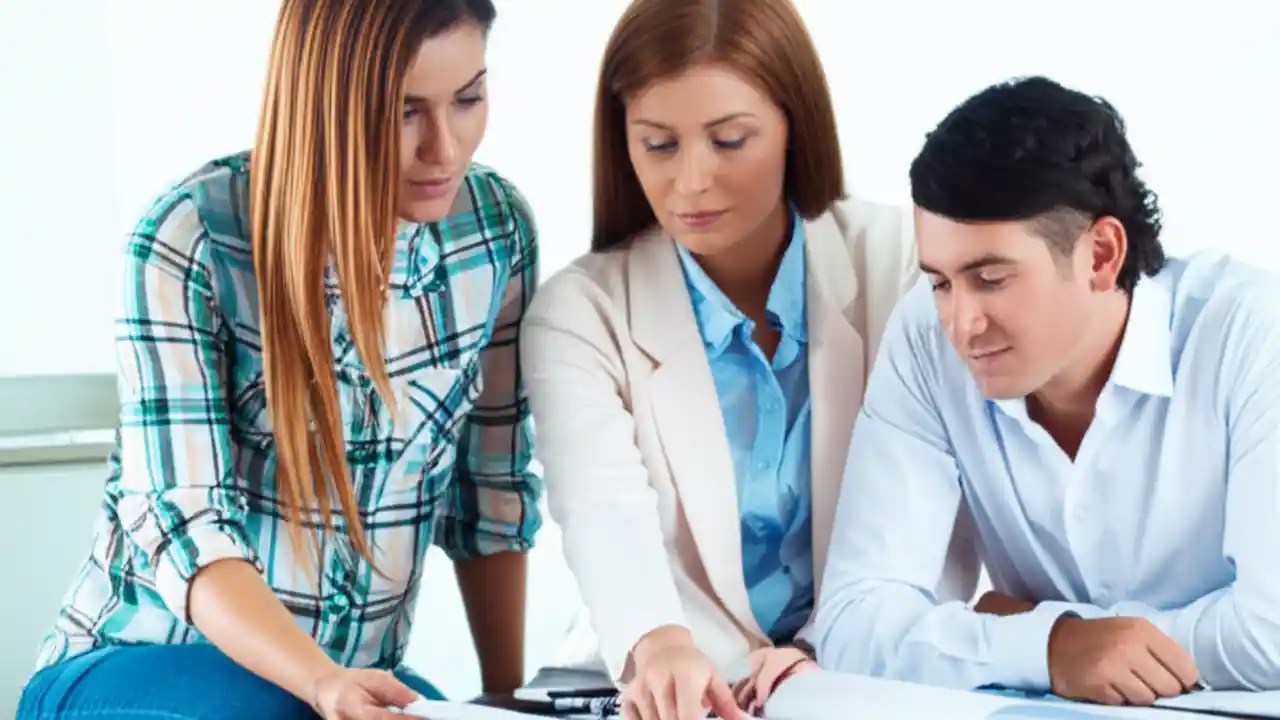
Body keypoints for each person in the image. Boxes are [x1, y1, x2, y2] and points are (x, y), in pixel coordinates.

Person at [16, 1, 542, 718]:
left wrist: (507, 703)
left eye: (468, 100)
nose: (444, 149)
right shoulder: (189, 237)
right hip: (137, 660)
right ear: (325, 101)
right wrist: (320, 684)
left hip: (339, 682)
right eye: (403, 112)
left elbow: (492, 495)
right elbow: (187, 527)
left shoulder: (494, 231)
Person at [520, 1, 977, 719]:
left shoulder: (905, 266)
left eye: (729, 140)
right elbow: (601, 506)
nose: (691, 181)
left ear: (795, 124)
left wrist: (823, 656)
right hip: (666, 685)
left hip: (862, 674)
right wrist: (659, 644)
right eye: (658, 145)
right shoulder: (581, 311)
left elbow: (928, 516)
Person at [814, 75, 1280, 706]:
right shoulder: (925, 339)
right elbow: (853, 624)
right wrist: (1052, 646)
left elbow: (1271, 634)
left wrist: (1037, 630)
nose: (961, 324)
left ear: (1101, 255)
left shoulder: (1252, 332)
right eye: (941, 283)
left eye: (991, 278)